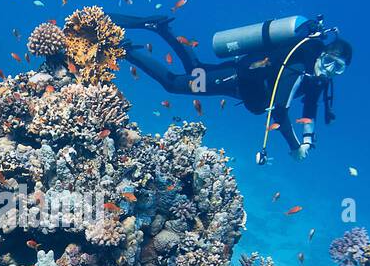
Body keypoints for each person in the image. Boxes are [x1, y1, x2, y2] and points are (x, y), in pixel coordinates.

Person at [109, 12, 352, 163]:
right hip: (235, 78)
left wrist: (308, 139)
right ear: (323, 53)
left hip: (241, 85)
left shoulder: (318, 75)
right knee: (174, 84)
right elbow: (279, 110)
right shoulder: (299, 64)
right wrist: (294, 147)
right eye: (329, 61)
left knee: (196, 69)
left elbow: (310, 106)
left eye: (337, 68)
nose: (329, 69)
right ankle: (127, 48)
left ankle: (161, 28)